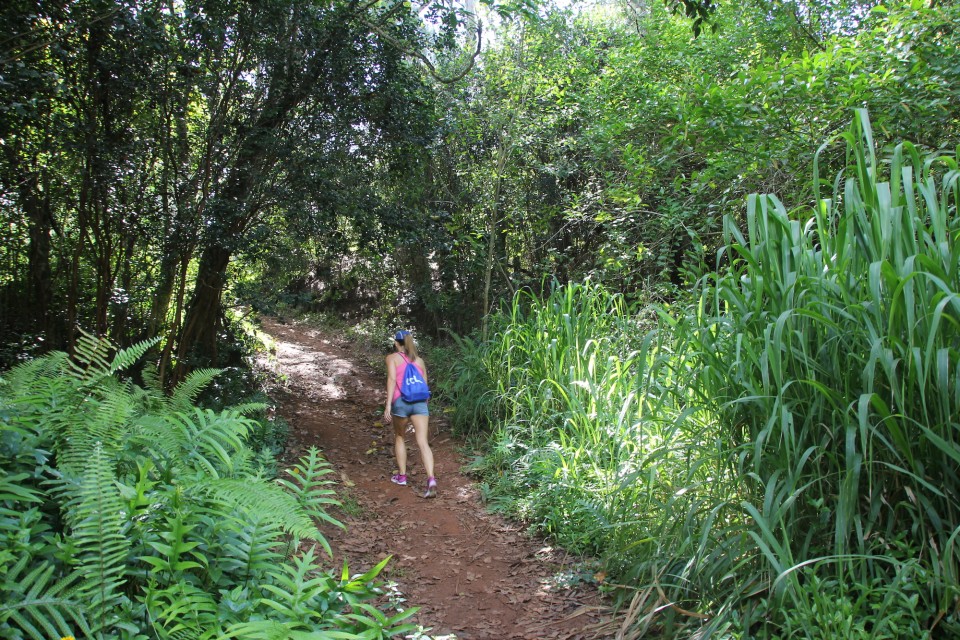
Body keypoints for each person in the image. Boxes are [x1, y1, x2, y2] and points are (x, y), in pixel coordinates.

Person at [383, 329, 437, 498]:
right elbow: (425, 386)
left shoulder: (391, 358)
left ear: (396, 342)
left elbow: (392, 380)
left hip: (402, 402)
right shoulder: (419, 361)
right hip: (420, 403)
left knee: (399, 437)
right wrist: (423, 406)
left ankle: (402, 476)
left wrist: (388, 406)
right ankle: (431, 479)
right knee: (423, 442)